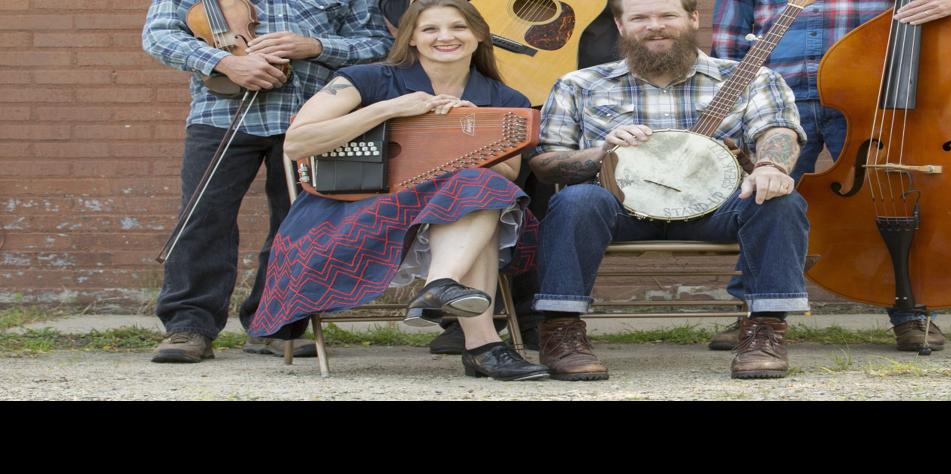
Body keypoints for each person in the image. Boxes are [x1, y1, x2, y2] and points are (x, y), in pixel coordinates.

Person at [246, 0, 550, 381]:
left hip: (454, 212)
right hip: (353, 208)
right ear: (411, 39)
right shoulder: (367, 78)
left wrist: (461, 131)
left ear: (480, 36)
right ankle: (481, 344)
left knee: (482, 191)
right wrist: (389, 109)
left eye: (457, 27)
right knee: (477, 204)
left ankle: (442, 287)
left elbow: (507, 174)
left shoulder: (506, 100)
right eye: (430, 29)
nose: (445, 37)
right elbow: (298, 143)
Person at [528, 0, 810, 381]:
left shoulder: (752, 78)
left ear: (693, 18)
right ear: (620, 25)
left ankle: (765, 330)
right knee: (575, 199)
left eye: (667, 16)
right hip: (619, 209)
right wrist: (600, 153)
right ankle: (561, 332)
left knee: (780, 200)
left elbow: (777, 129)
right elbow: (546, 164)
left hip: (715, 211)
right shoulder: (579, 84)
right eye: (640, 18)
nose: (654, 26)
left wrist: (770, 166)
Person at [711, 0, 951, 353]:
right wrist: (731, 99)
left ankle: (910, 312)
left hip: (867, 94)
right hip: (774, 97)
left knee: (890, 197)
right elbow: (728, 38)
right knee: (761, 201)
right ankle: (756, 317)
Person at [142, 0, 391, 363]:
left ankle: (273, 326)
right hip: (219, 113)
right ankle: (189, 325)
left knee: (298, 225)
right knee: (203, 219)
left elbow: (376, 43)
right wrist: (226, 62)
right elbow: (159, 35)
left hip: (312, 119)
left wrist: (316, 46)